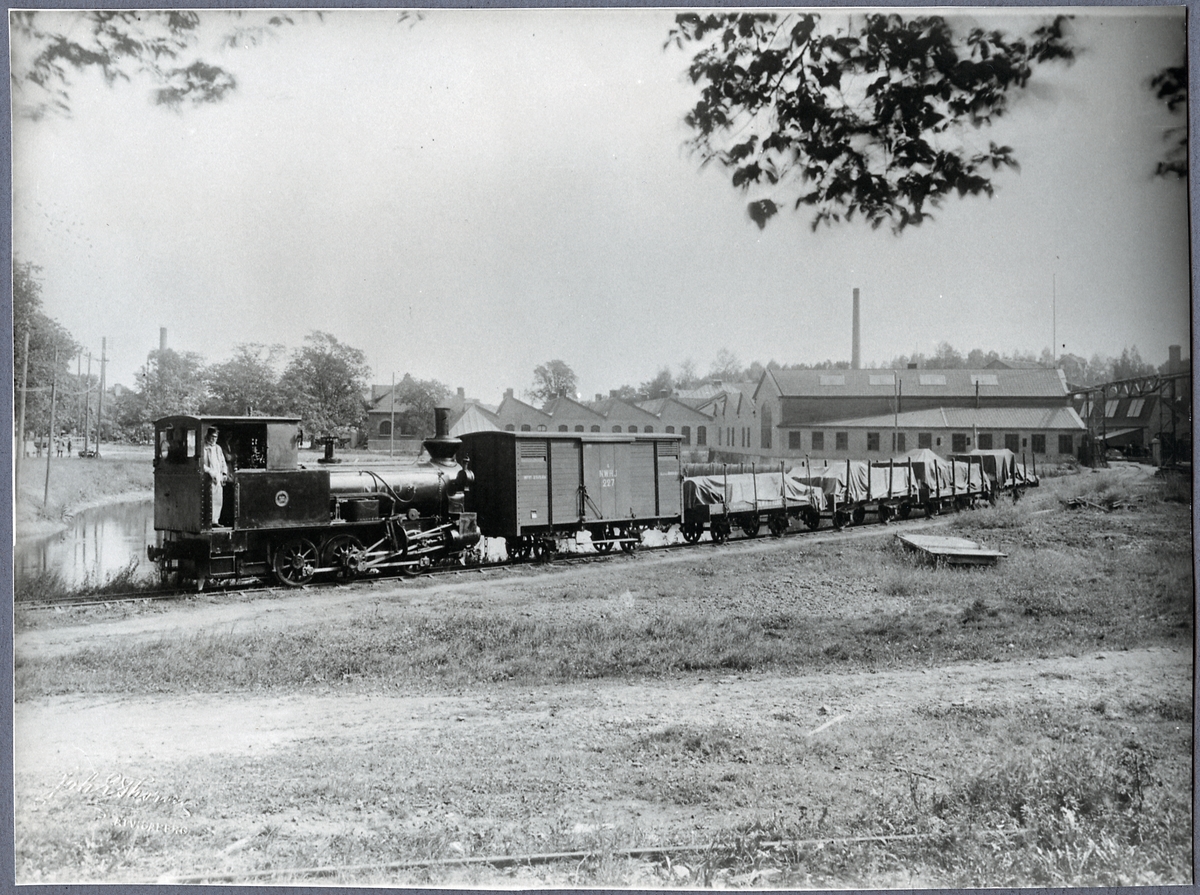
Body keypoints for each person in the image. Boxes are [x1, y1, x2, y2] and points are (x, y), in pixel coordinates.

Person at [202, 427, 231, 526]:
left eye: (216, 437)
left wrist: (224, 474)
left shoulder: (218, 448)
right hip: (207, 477)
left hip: (218, 477)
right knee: (209, 500)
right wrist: (210, 471)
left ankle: (215, 521)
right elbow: (201, 464)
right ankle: (208, 521)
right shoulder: (203, 448)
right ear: (208, 436)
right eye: (212, 436)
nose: (214, 439)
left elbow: (223, 462)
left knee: (218, 499)